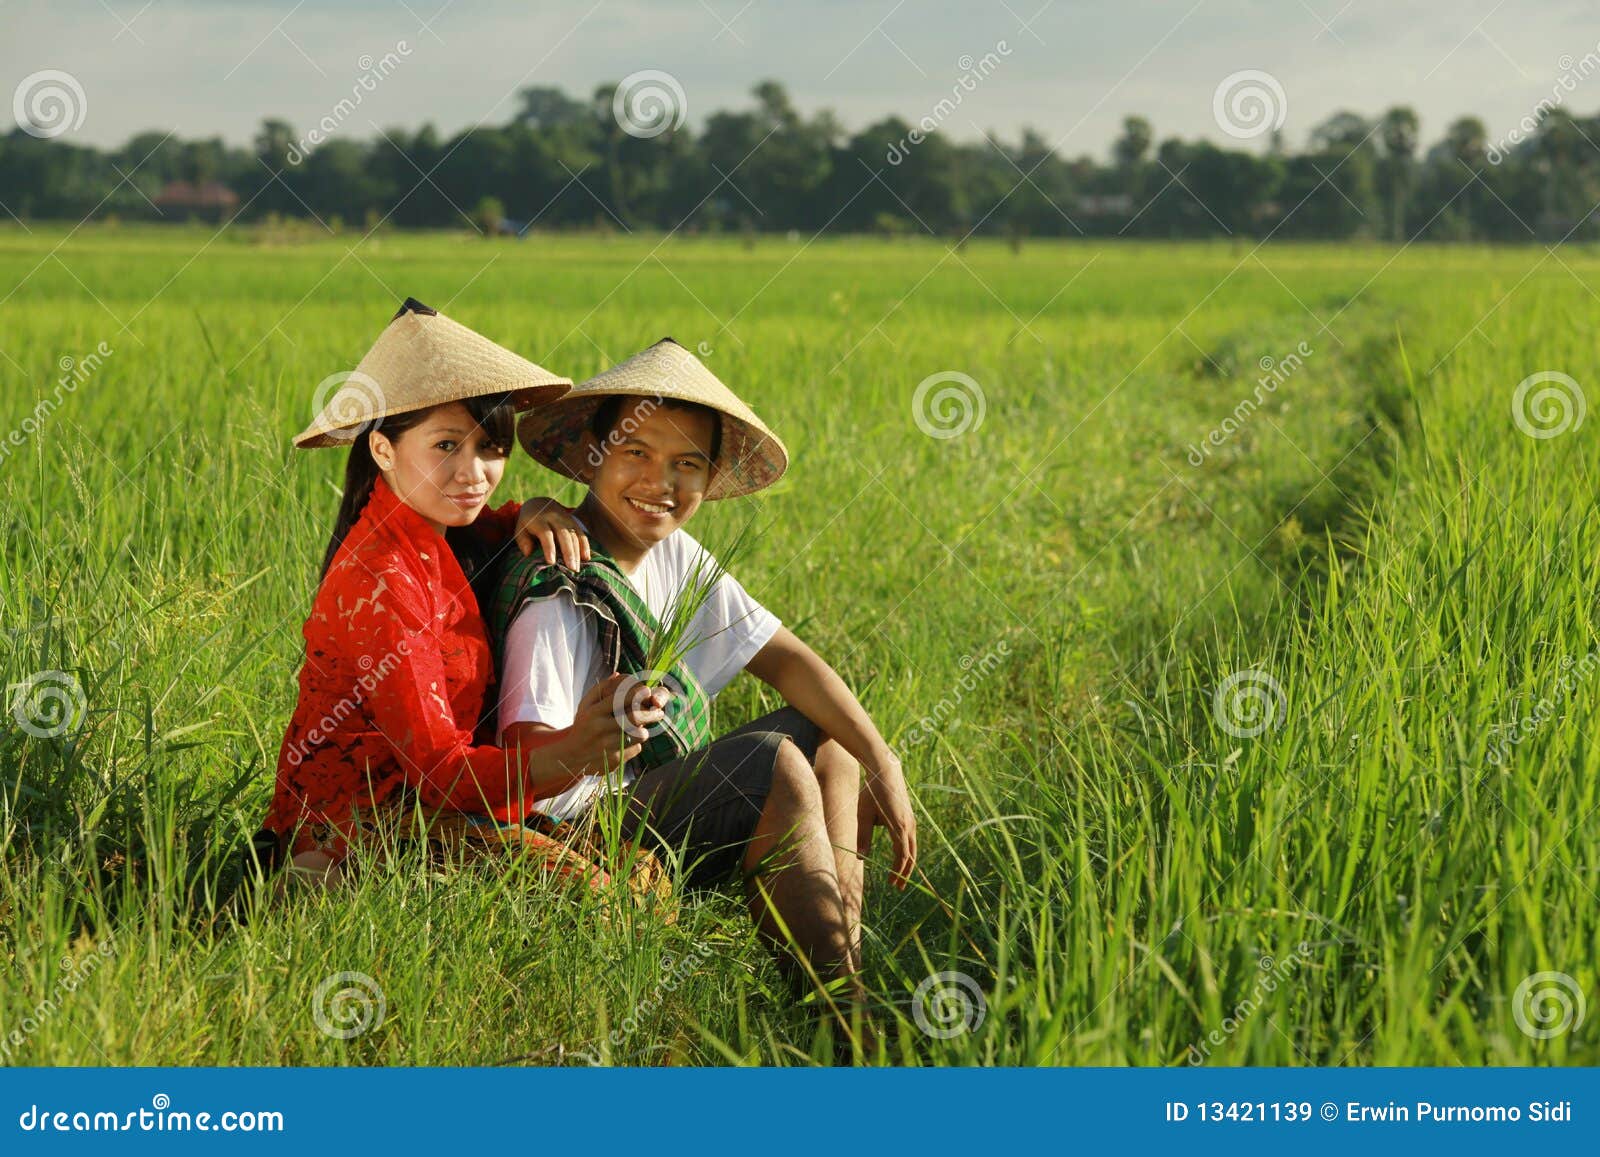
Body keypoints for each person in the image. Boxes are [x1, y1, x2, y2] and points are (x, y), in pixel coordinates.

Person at [489, 338, 917, 999]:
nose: (660, 482)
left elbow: (789, 659)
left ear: (710, 476)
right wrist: (587, 740)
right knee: (772, 760)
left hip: (646, 800)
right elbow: (519, 764)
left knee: (830, 737)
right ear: (594, 454)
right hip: (578, 830)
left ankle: (843, 973)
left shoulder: (674, 554)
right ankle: (846, 1016)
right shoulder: (561, 580)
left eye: (686, 463)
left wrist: (883, 759)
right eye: (637, 452)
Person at [249, 298, 666, 899]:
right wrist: (573, 752)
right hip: (371, 826)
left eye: (491, 448)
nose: (474, 472)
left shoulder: (442, 532)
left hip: (440, 809)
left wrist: (534, 508)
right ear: (383, 450)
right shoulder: (382, 577)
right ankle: (315, 885)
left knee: (646, 881)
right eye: (446, 446)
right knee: (615, 906)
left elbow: (492, 523)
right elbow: (441, 772)